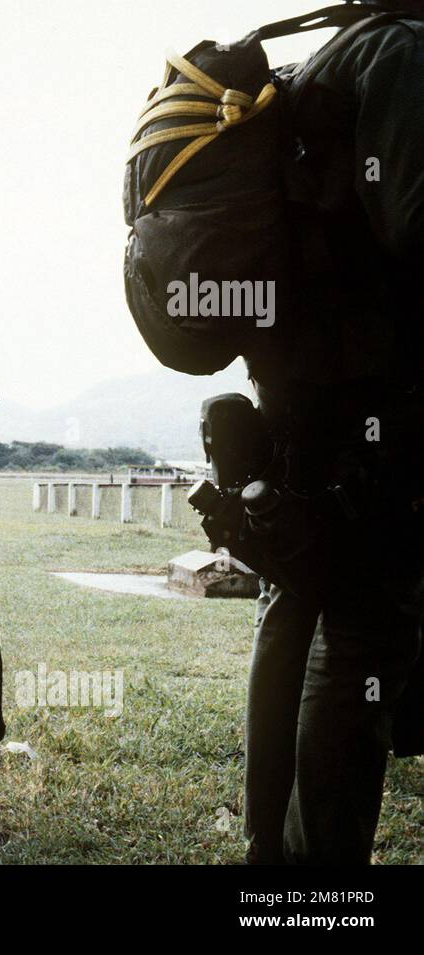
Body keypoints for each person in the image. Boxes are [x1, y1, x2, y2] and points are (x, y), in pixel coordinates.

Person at [241, 0, 424, 864]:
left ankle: (269, 856)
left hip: (297, 391)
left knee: (296, 604)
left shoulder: (324, 61)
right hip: (367, 397)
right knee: (365, 632)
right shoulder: (399, 52)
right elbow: (415, 225)